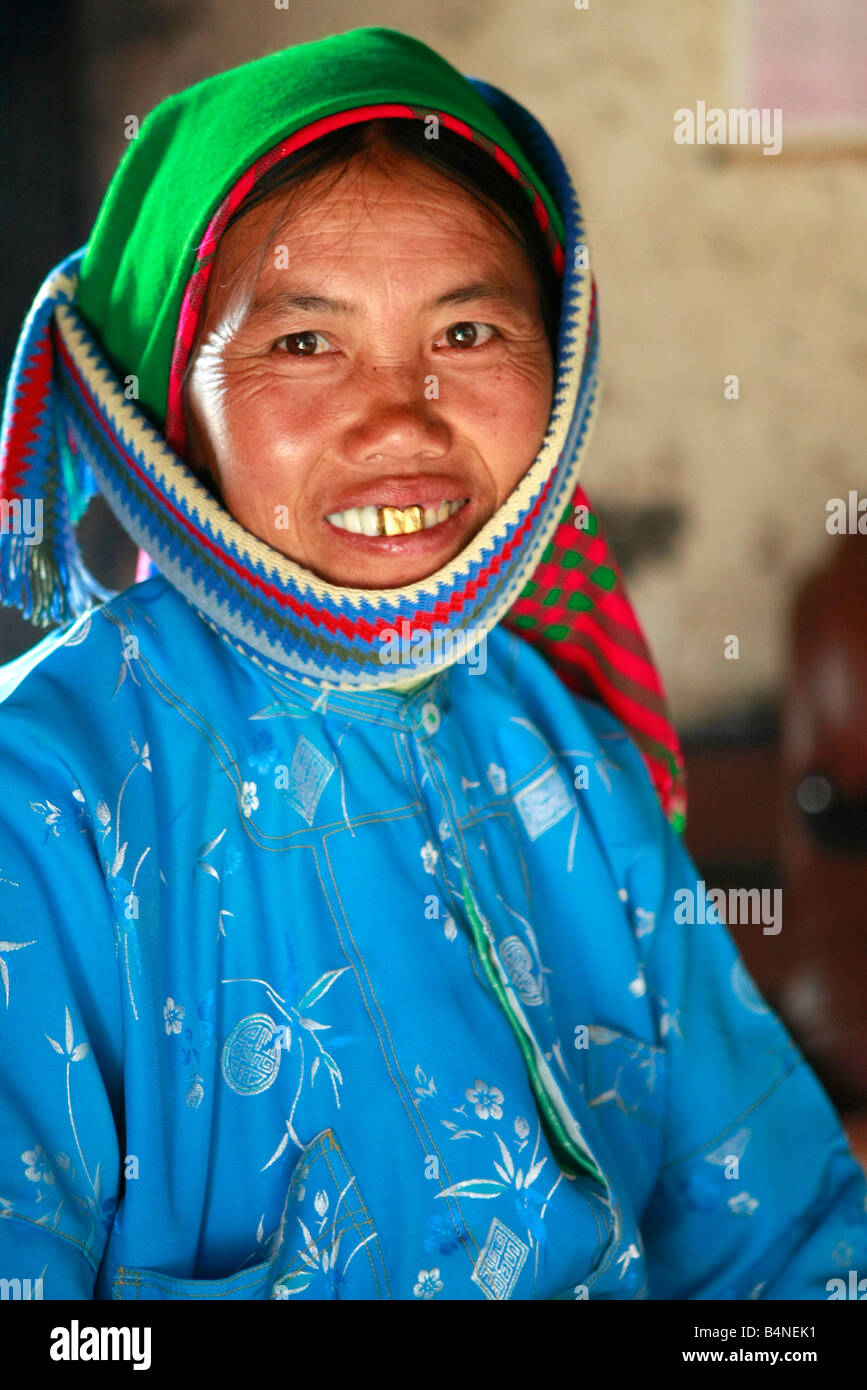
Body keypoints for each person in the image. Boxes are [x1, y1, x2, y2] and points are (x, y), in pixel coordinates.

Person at [0, 26, 864, 1302]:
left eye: (468, 332)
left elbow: (779, 1231)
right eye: (304, 343)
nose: (403, 415)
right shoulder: (48, 797)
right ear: (166, 405)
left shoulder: (565, 748)